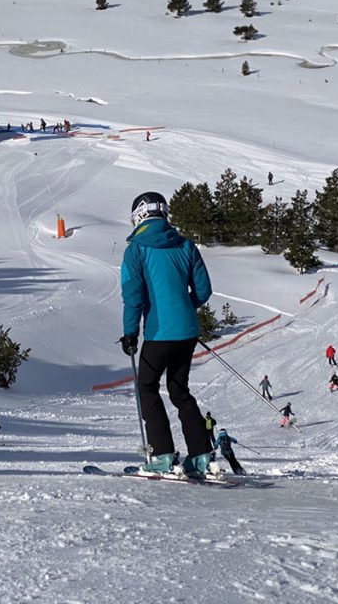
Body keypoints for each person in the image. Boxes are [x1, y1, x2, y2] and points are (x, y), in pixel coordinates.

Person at [120, 191, 213, 478]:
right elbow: (204, 290)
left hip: (160, 333)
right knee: (179, 391)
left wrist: (130, 332)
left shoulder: (136, 248)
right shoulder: (185, 244)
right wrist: (185, 308)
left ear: (139, 215)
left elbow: (133, 295)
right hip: (186, 333)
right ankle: (199, 456)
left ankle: (161, 455)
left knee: (147, 388)